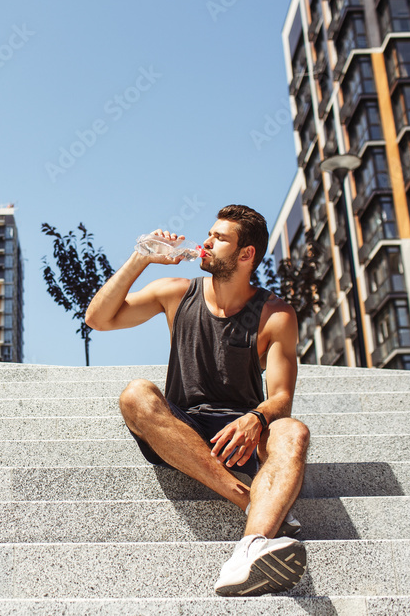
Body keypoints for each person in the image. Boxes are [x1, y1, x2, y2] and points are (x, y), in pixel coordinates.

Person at [84, 204, 310, 597]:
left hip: (240, 435)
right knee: (136, 393)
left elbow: (282, 398)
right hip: (181, 429)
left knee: (293, 430)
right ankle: (247, 499)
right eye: (209, 234)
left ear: (246, 255)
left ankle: (251, 549)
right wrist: (142, 257)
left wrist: (256, 418)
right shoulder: (175, 291)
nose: (205, 242)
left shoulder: (276, 314)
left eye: (219, 238)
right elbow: (98, 318)